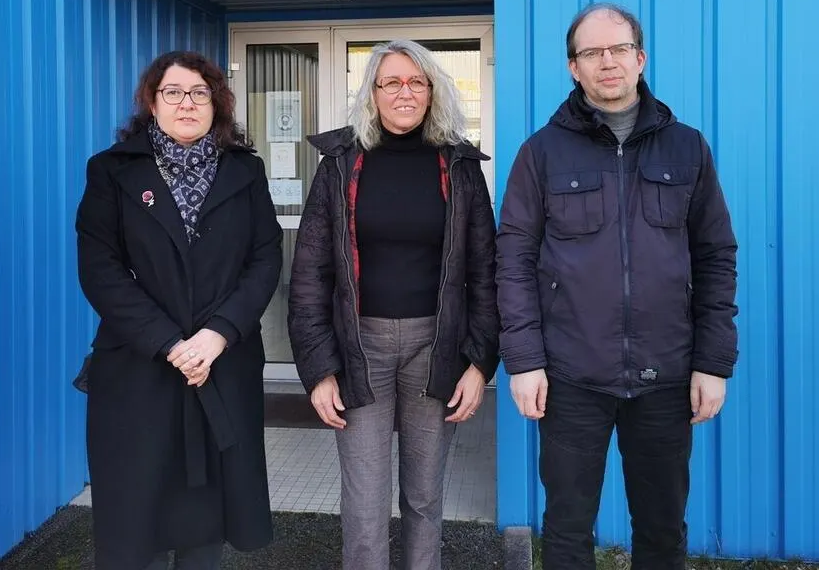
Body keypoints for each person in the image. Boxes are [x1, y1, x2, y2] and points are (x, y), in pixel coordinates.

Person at [496, 4, 738, 569]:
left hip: (666, 375)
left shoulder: (687, 148)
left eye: (619, 49)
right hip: (571, 377)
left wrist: (713, 362)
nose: (607, 62)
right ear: (573, 68)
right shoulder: (541, 154)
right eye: (591, 53)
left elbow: (715, 257)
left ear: (640, 58)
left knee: (661, 530)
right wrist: (525, 361)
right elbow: (513, 260)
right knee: (566, 530)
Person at [287, 39, 500, 570]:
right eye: (391, 83)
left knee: (425, 496)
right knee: (364, 500)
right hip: (361, 346)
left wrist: (479, 363)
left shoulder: (459, 167)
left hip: (437, 345)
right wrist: (318, 370)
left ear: (432, 91)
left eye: (416, 82)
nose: (404, 93)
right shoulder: (340, 165)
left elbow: (485, 272)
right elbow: (310, 274)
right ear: (373, 93)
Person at [75, 50, 282, 569]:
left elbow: (264, 258)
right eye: (173, 92)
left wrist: (218, 333)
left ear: (216, 104)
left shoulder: (246, 171)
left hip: (221, 364)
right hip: (139, 367)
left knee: (206, 517)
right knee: (133, 516)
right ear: (151, 102)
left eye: (199, 93)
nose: (186, 103)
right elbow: (100, 269)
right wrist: (169, 342)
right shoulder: (111, 171)